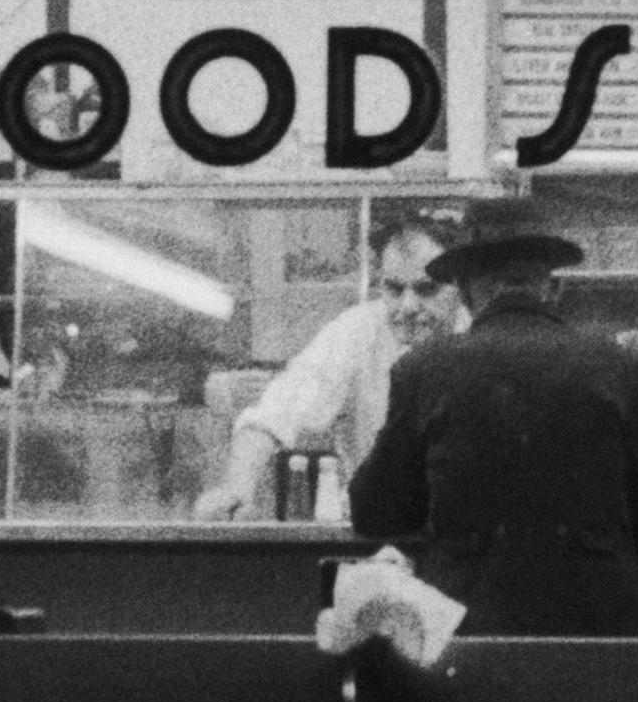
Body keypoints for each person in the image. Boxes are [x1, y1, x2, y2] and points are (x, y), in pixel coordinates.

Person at [346, 228, 638, 702]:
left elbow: (374, 511)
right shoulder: (618, 365)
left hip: (464, 643)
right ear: (554, 288)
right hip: (606, 643)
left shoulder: (424, 368)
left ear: (465, 292)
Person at [191, 216, 466, 516]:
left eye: (427, 290)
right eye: (394, 289)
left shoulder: (484, 334)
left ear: (461, 288)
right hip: (380, 531)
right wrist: (237, 491)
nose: (408, 307)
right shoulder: (358, 330)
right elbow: (273, 415)